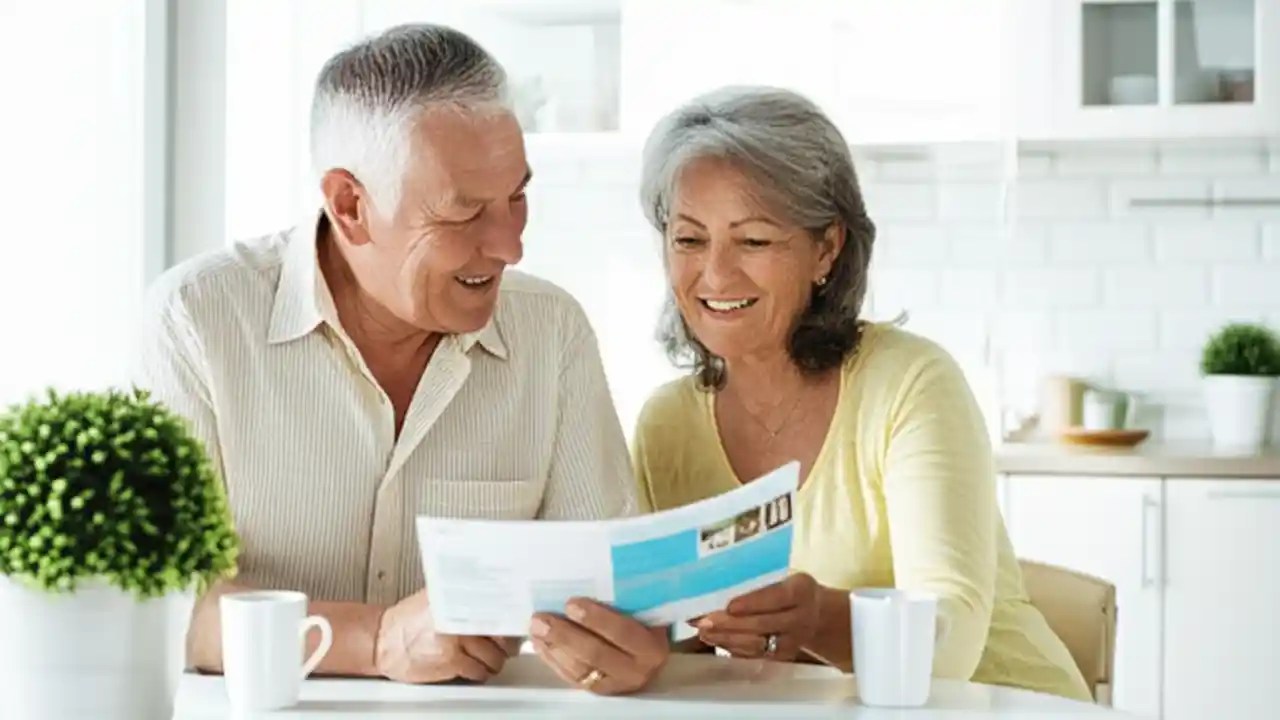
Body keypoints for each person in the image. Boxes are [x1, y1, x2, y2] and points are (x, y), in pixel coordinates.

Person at [134, 24, 666, 695]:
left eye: (517, 198)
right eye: (465, 211)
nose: (509, 245)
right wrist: (379, 640)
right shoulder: (197, 320)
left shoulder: (552, 333)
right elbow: (160, 607)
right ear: (350, 205)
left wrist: (630, 644)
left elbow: (612, 585)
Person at [629, 86, 1092, 701]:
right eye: (689, 240)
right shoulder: (666, 426)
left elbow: (952, 645)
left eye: (754, 240)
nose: (714, 274)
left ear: (827, 248)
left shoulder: (910, 385)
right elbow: (678, 646)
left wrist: (820, 617)